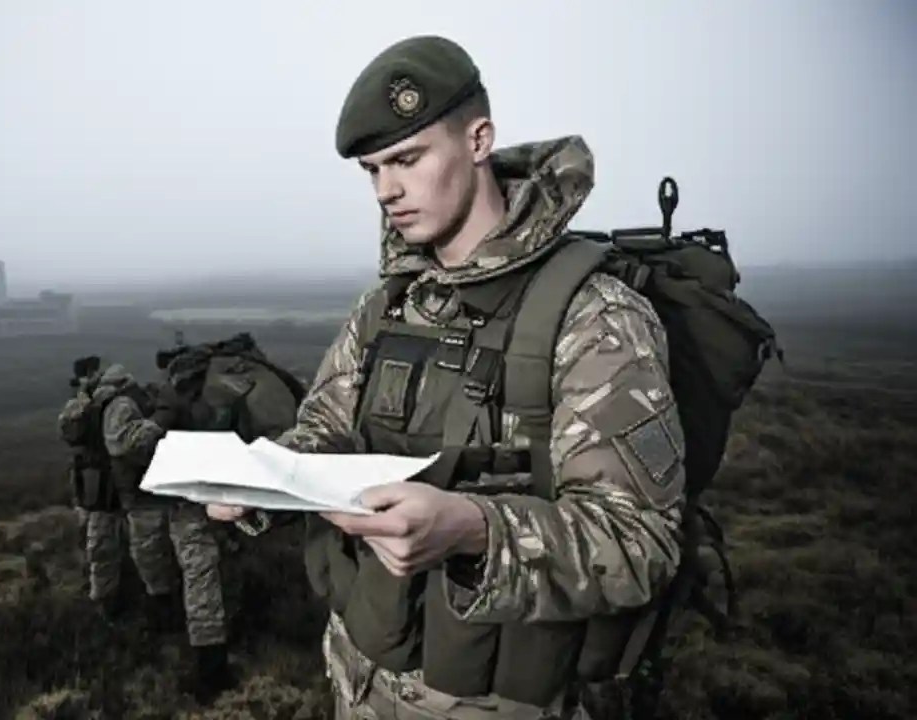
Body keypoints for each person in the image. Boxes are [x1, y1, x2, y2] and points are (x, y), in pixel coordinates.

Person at [206, 35, 688, 720]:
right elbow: (326, 428)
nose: (387, 191)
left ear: (479, 139)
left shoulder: (592, 314)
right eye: (372, 170)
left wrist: (472, 530)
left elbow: (641, 542)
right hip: (359, 675)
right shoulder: (389, 304)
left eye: (407, 158)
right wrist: (264, 479)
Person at [99, 360, 239, 704]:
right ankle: (189, 642)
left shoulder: (162, 403)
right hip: (173, 498)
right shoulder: (137, 404)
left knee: (197, 571)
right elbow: (130, 445)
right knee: (184, 571)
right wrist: (164, 417)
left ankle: (209, 660)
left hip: (182, 498)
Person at [58, 362, 180, 627]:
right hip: (110, 493)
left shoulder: (117, 402)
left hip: (123, 491)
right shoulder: (96, 402)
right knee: (113, 551)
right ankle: (122, 608)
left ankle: (153, 610)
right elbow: (70, 432)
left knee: (141, 553)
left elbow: (126, 446)